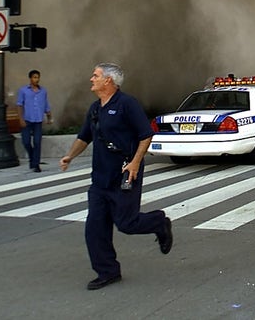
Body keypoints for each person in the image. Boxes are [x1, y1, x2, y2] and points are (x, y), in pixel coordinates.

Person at [59, 63, 173, 290]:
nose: (91, 79)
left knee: (127, 223)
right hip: (100, 179)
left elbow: (146, 135)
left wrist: (135, 163)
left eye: (96, 75)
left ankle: (160, 222)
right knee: (95, 228)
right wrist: (69, 156)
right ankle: (108, 271)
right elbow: (84, 137)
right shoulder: (94, 108)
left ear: (108, 81)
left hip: (124, 174)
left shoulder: (127, 104)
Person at [16, 69, 53, 172]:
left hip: (38, 120)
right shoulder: (23, 90)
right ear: (30, 78)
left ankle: (36, 164)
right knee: (26, 142)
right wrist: (21, 119)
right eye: (34, 77)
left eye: (38, 77)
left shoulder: (43, 91)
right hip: (27, 120)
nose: (36, 79)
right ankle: (33, 158)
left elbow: (46, 105)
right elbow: (19, 105)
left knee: (37, 142)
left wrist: (49, 117)